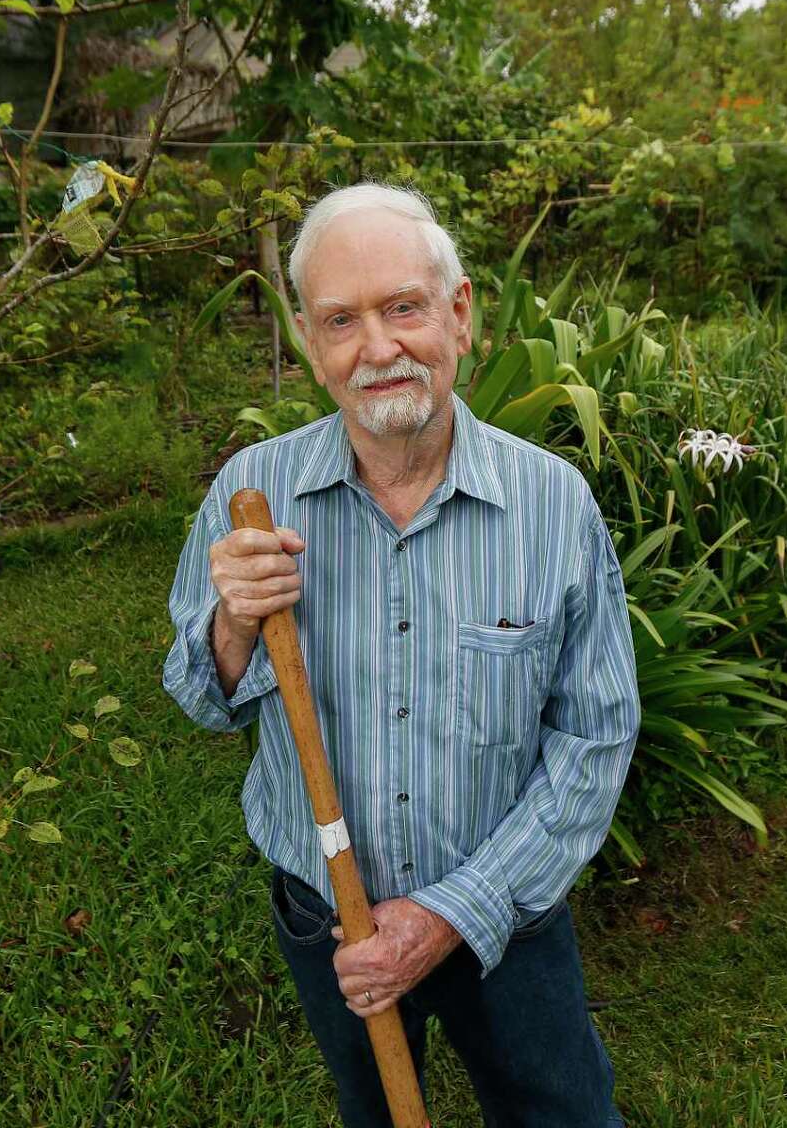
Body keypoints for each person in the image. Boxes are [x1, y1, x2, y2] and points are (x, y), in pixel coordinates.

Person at [162, 182, 639, 1127]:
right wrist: (235, 624)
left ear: (459, 315)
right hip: (327, 916)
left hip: (507, 911)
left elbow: (596, 736)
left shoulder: (553, 506)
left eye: (403, 308)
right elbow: (200, 698)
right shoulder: (253, 492)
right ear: (310, 344)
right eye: (341, 320)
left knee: (563, 1113)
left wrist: (452, 913)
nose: (377, 348)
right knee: (374, 1109)